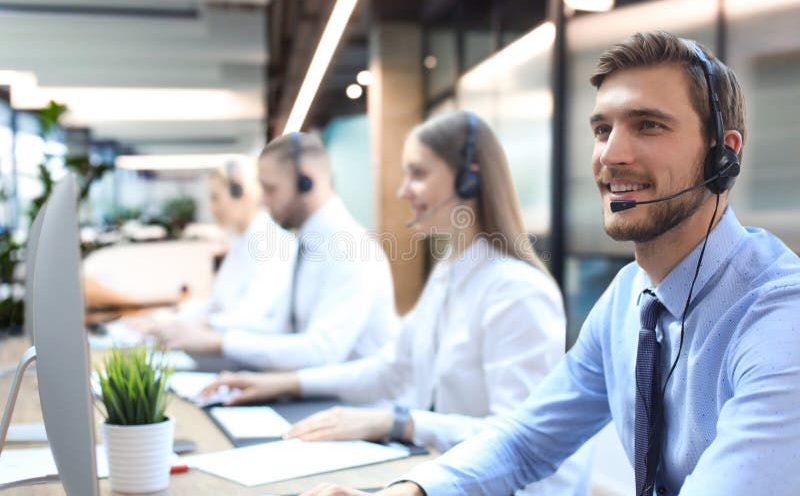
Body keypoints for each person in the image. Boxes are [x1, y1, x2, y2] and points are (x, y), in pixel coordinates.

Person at [295, 31, 800, 496]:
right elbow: (526, 439)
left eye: (648, 125)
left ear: (723, 156)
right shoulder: (628, 297)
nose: (611, 155)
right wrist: (409, 492)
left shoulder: (780, 319)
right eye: (602, 129)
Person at [202, 112, 592, 495]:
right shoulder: (449, 273)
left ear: (469, 179)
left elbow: (517, 441)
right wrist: (281, 384)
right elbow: (390, 369)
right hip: (443, 476)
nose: (403, 190)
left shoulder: (517, 291)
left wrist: (400, 422)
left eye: (418, 174)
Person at [155, 132, 397, 369]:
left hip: (352, 394)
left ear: (306, 182)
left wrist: (220, 341)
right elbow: (279, 328)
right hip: (314, 387)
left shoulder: (351, 248)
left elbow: (323, 351)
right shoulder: (305, 243)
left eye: (270, 189)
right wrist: (205, 331)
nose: (263, 201)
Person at [128, 159, 296, 353]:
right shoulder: (242, 241)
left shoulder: (270, 242)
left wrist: (198, 324)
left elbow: (254, 318)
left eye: (216, 198)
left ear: (242, 193)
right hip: (228, 345)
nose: (211, 207)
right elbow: (215, 304)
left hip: (248, 352)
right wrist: (167, 320)